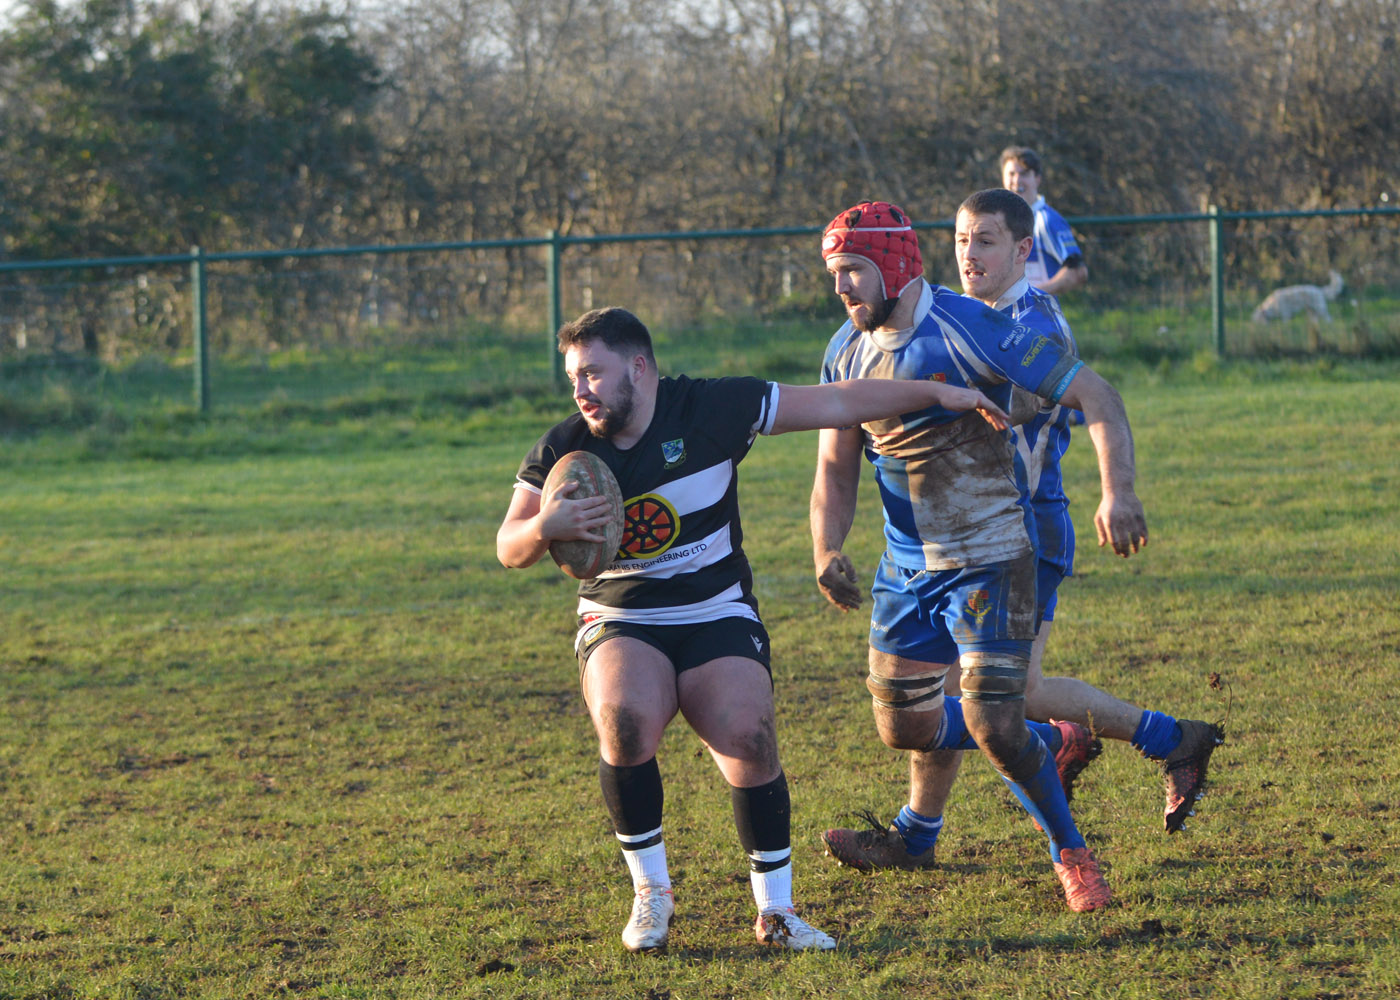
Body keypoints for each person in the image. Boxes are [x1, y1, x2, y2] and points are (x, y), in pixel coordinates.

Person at [497, 306, 1012, 952]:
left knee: (749, 735)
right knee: (625, 722)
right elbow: (507, 545)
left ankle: (777, 912)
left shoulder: (711, 410)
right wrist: (546, 529)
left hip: (716, 609)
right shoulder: (565, 447)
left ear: (638, 366)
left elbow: (839, 400)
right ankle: (652, 895)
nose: (581, 390)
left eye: (594, 373)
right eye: (574, 376)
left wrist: (940, 392)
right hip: (623, 614)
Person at [810, 200, 1143, 913]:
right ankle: (1051, 738)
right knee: (904, 726)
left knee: (993, 724)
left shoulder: (972, 327)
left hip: (993, 557)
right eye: (834, 274)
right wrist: (827, 545)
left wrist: (1118, 493)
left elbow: (1097, 393)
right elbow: (836, 464)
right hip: (905, 569)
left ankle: (1074, 857)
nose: (842, 288)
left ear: (895, 267)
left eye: (853, 272)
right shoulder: (845, 348)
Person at [952, 187, 1224, 831]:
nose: (969, 254)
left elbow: (1020, 406)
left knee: (1007, 693)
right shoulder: (963, 312)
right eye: (961, 240)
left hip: (1025, 528)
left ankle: (1162, 739)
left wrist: (1118, 492)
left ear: (1024, 249)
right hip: (965, 529)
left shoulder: (1036, 326)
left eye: (985, 240)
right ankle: (921, 827)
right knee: (957, 689)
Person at [1000, 146, 1088, 297]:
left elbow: (1078, 272)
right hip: (1009, 318)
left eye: (1024, 174)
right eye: (1011, 174)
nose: (1017, 180)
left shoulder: (1046, 220)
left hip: (1040, 318)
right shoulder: (998, 220)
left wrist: (1034, 296)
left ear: (1037, 179)